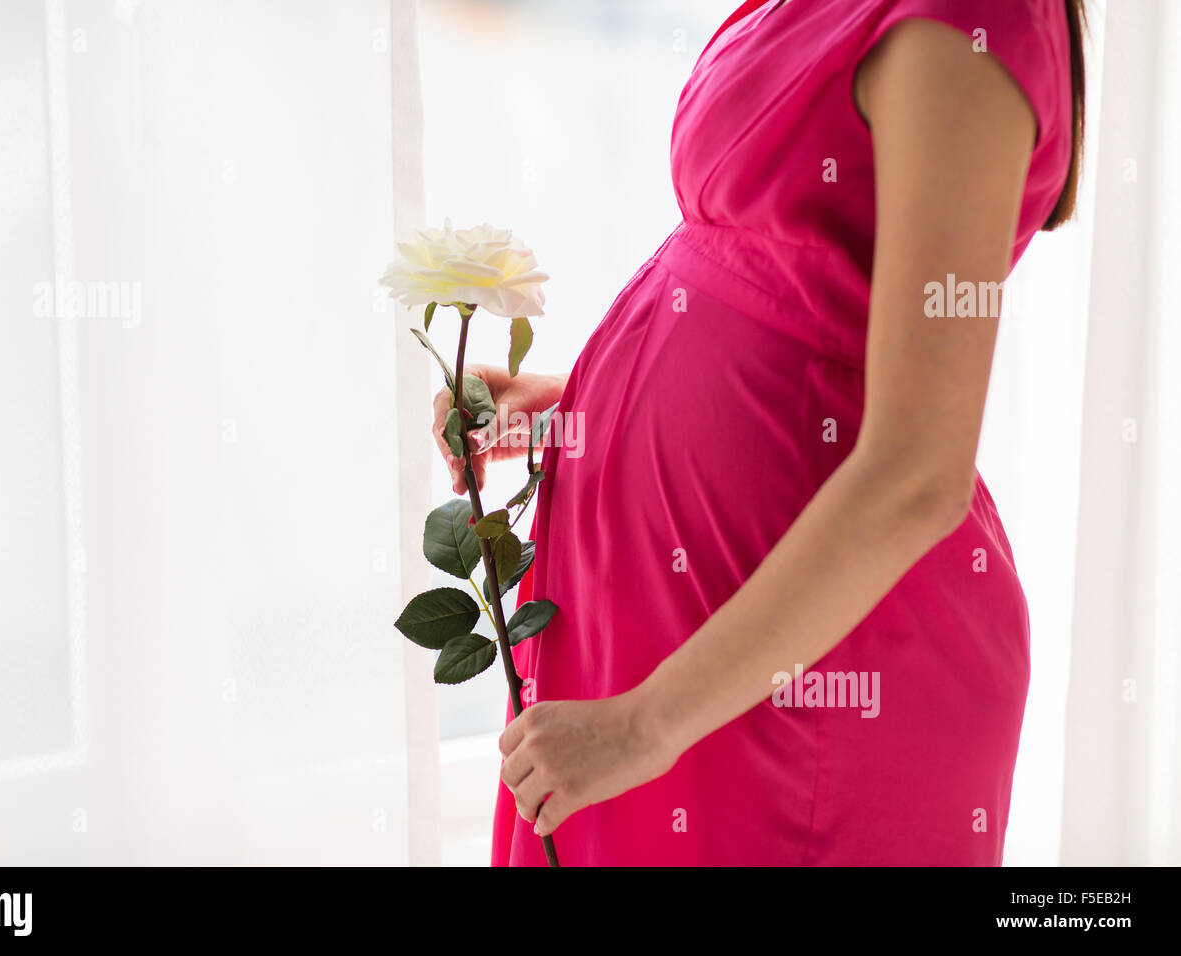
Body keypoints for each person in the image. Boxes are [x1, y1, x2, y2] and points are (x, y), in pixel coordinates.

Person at [434, 0, 1085, 865]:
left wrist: (642, 726)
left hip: (802, 691)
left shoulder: (969, 19)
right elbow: (784, 305)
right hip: (690, 647)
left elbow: (917, 474)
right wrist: (581, 412)